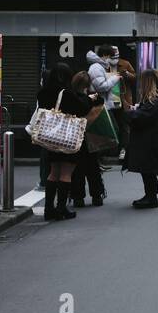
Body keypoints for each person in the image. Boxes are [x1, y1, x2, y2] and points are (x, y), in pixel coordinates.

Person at [37, 63, 93, 222]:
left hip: (50, 138)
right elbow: (82, 109)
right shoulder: (67, 94)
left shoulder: (43, 93)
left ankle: (49, 208)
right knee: (66, 173)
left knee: (53, 172)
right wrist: (88, 99)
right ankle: (61, 208)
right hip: (67, 137)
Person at [125, 68, 158, 208]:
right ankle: (151, 196)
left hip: (150, 140)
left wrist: (128, 114)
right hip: (154, 139)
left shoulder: (154, 98)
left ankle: (151, 197)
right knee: (148, 169)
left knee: (147, 169)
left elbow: (142, 117)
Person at [69, 70, 106, 208]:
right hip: (89, 137)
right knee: (93, 168)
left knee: (77, 169)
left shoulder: (71, 97)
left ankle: (78, 197)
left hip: (73, 137)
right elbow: (100, 103)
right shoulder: (90, 99)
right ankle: (97, 195)